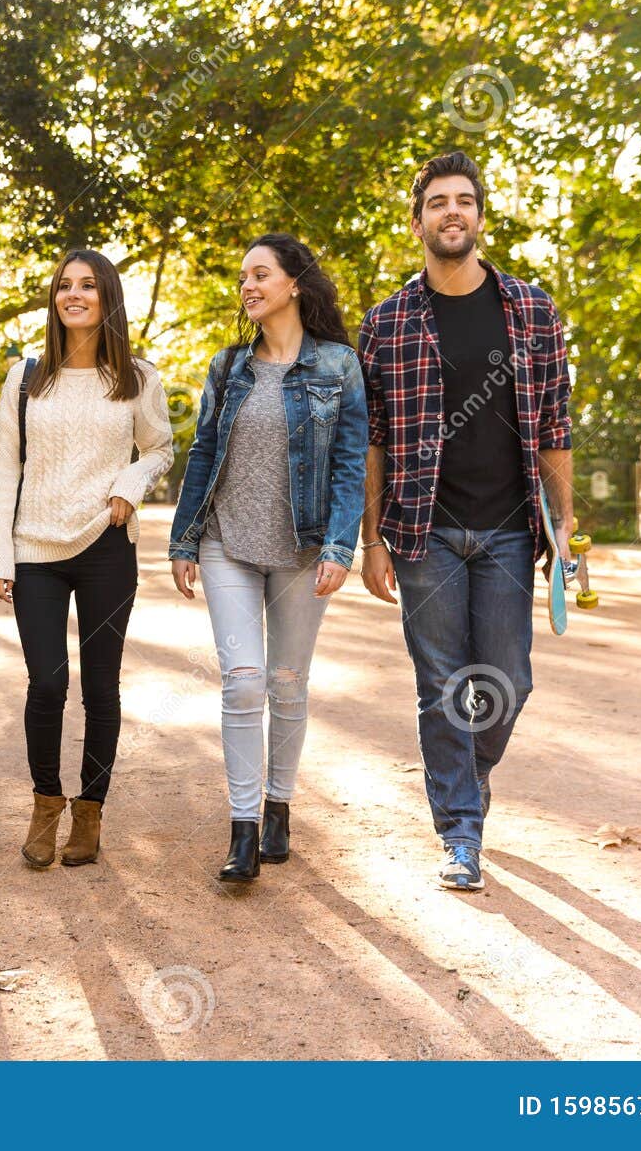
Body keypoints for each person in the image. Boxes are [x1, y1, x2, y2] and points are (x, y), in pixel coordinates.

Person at [357, 151, 574, 892]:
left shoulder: (532, 310)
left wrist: (566, 524)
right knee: (442, 685)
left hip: (512, 529)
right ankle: (460, 830)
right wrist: (371, 539)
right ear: (417, 220)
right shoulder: (386, 322)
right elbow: (373, 439)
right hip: (425, 531)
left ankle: (470, 775)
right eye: (438, 202)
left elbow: (555, 426)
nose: (453, 212)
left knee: (510, 680)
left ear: (479, 215)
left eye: (465, 200)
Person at [168, 234, 366, 883]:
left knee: (286, 681)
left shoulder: (338, 365)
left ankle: (279, 805)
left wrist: (340, 545)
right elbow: (202, 452)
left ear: (294, 284)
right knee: (245, 679)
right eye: (243, 277)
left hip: (303, 549)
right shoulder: (228, 366)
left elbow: (349, 463)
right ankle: (243, 829)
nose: (248, 286)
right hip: (228, 541)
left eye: (261, 274)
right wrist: (184, 539)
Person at [0, 249, 173, 868]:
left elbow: (160, 448)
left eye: (88, 285)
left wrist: (129, 485)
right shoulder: (26, 376)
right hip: (35, 550)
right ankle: (45, 804)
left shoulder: (137, 377)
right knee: (46, 682)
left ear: (107, 297)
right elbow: (3, 469)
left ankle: (90, 812)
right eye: (65, 285)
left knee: (100, 687)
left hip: (105, 548)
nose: (74, 294)